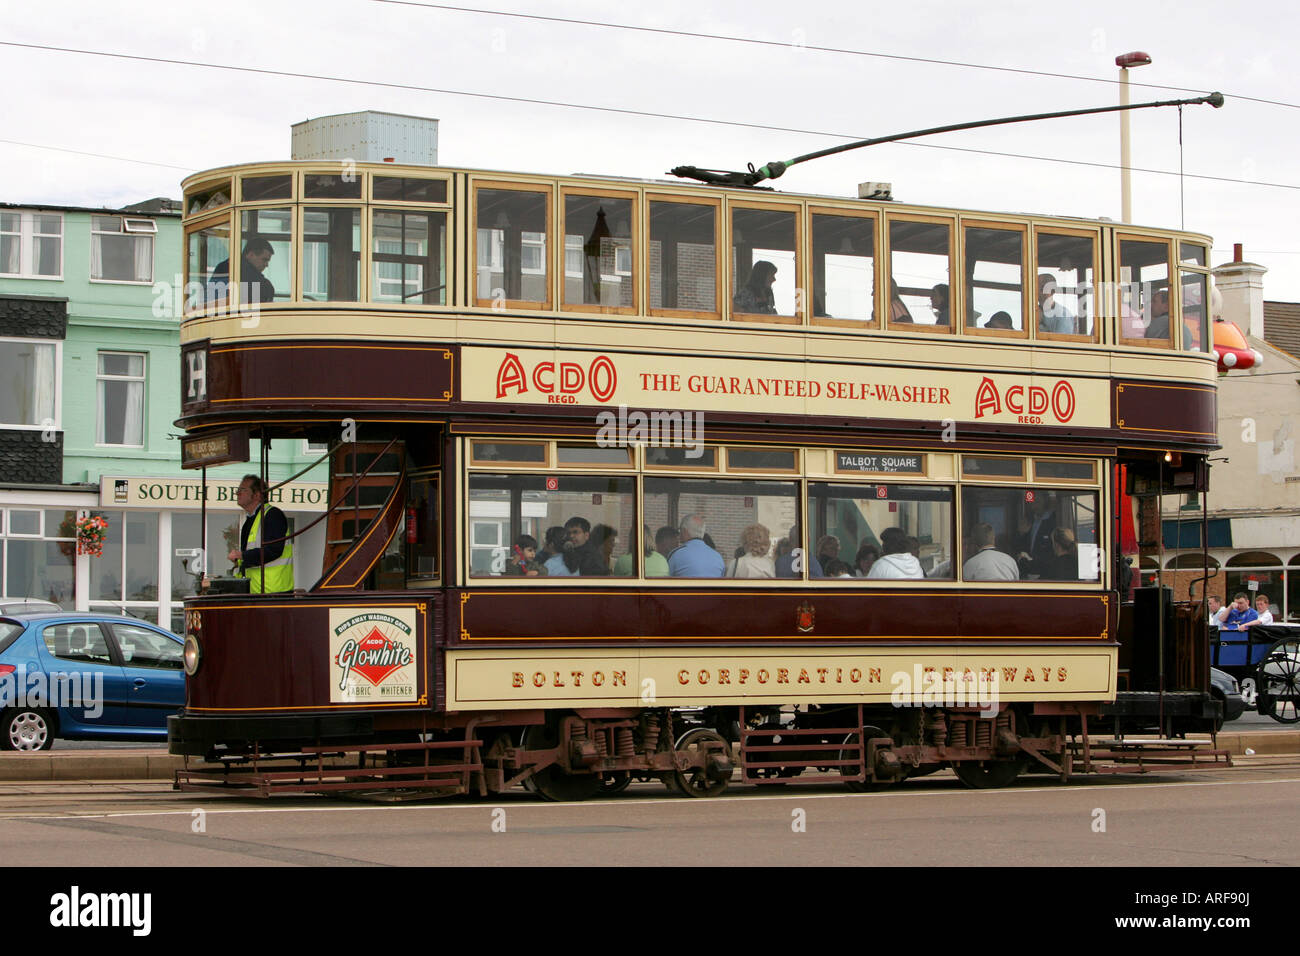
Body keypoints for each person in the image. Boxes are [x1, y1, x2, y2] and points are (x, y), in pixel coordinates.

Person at [227, 474, 293, 593]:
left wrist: (242, 555)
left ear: (257, 495)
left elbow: (273, 550)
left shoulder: (273, 515)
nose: (237, 493)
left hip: (273, 593)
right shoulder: (251, 520)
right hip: (257, 591)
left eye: (242, 490)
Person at [207, 238, 275, 306]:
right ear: (251, 255)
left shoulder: (223, 266)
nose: (266, 265)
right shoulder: (247, 274)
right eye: (264, 260)